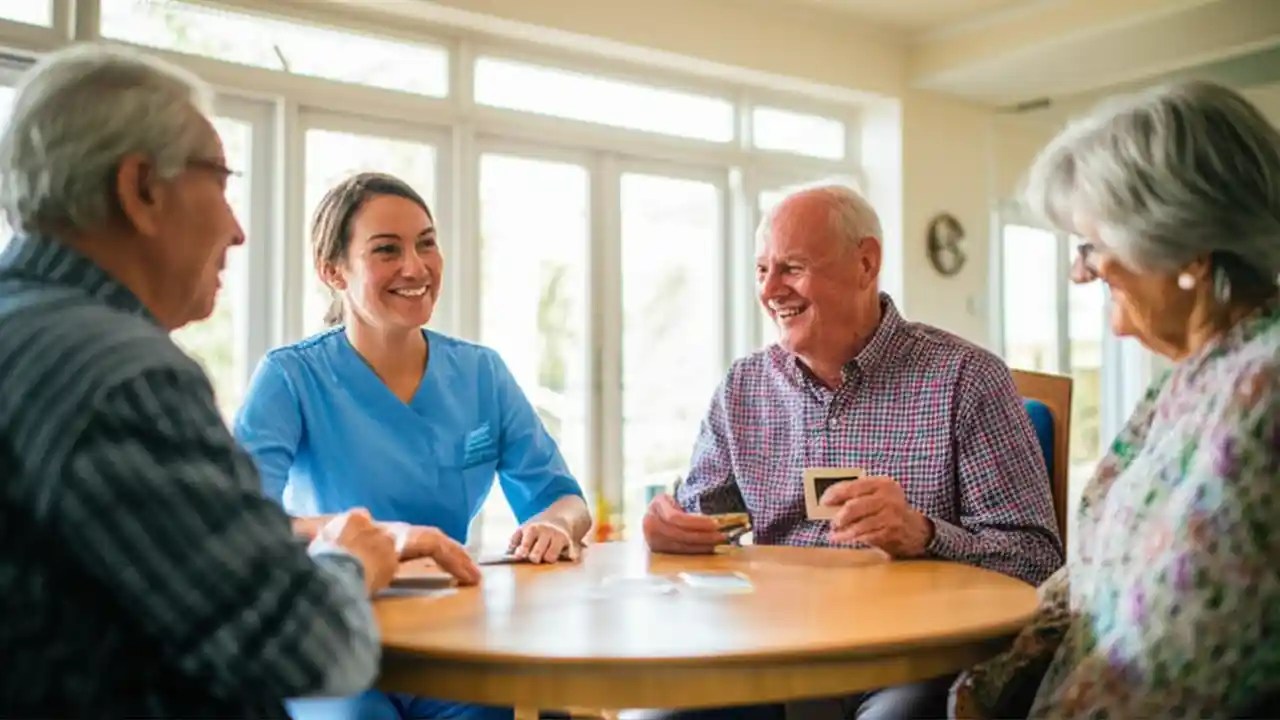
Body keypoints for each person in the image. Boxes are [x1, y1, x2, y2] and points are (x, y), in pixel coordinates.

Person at [0, 44, 400, 718]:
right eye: (220, 179)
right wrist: (347, 562)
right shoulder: (122, 379)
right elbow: (310, 646)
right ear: (141, 190)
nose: (237, 229)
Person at [639, 184, 1064, 719]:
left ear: (866, 264)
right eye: (761, 270)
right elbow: (703, 521)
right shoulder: (743, 387)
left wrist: (924, 534)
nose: (771, 290)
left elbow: (1037, 560)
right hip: (768, 650)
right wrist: (669, 532)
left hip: (911, 660)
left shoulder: (966, 379)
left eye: (792, 267)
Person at [949, 81, 1280, 719]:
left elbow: (1178, 660)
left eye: (1093, 246)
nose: (1082, 272)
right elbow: (1096, 573)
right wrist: (979, 687)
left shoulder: (1261, 390)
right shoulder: (1191, 376)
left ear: (1183, 247)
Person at [234, 171, 591, 720]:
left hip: (451, 638)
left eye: (426, 243)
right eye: (386, 250)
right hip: (333, 634)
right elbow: (239, 522)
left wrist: (555, 525)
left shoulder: (480, 374)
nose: (415, 266)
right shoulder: (290, 378)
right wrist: (374, 536)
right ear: (333, 271)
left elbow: (563, 498)